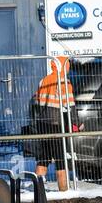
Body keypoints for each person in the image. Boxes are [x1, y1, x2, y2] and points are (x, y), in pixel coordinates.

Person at [33, 55, 74, 191]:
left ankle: (37, 188)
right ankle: (64, 191)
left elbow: (37, 102)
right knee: (60, 158)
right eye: (67, 65)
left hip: (42, 123)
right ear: (63, 66)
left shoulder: (43, 81)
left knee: (44, 156)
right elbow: (70, 105)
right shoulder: (64, 82)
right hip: (57, 124)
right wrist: (76, 122)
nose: (68, 68)